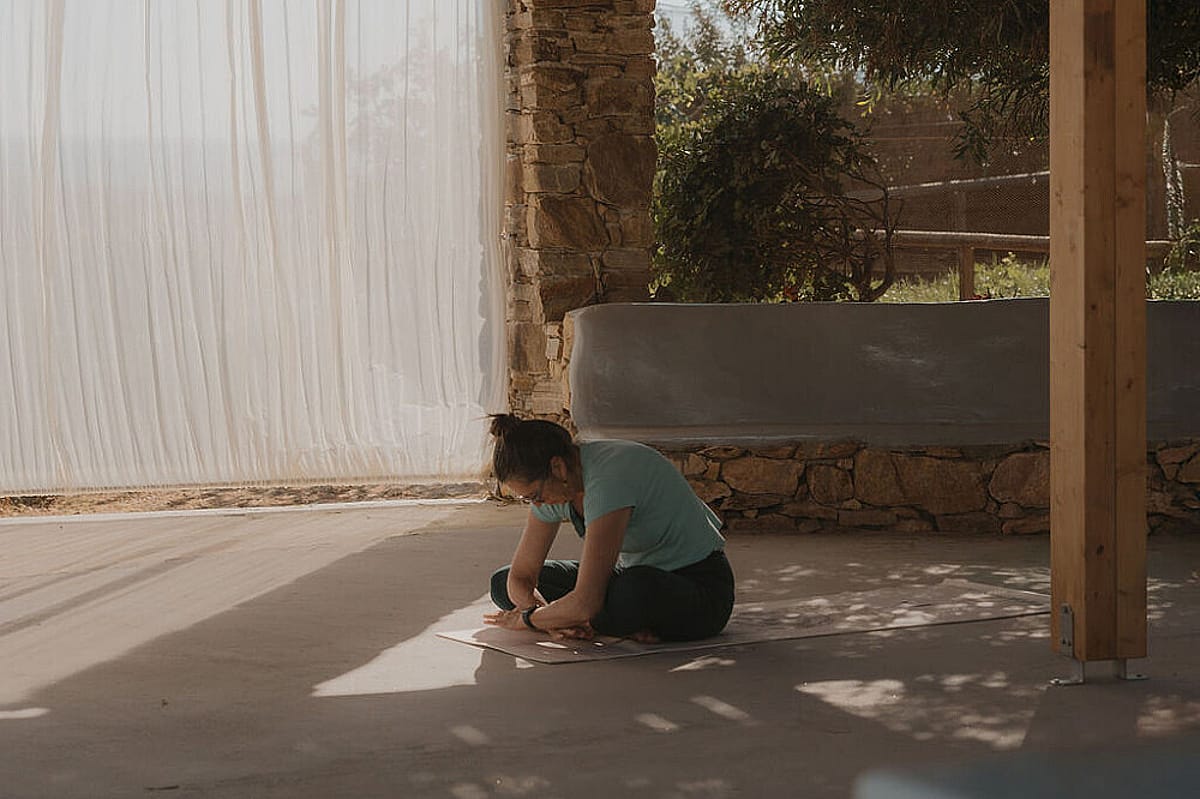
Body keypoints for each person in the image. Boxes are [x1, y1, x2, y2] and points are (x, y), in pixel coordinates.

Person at [483, 413, 734, 643]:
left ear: (557, 468)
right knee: (502, 582)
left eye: (534, 495)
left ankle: (604, 620)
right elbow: (521, 576)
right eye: (528, 499)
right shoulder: (560, 483)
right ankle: (610, 624)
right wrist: (546, 618)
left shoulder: (609, 477)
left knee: (632, 592)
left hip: (698, 588)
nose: (536, 504)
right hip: (629, 572)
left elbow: (587, 601)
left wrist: (529, 619)